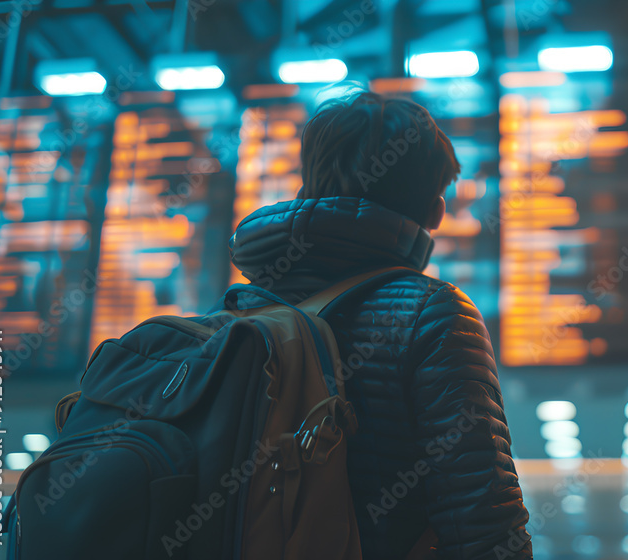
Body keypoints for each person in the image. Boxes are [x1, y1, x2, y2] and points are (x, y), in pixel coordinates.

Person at [228, 91, 533, 559]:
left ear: (307, 185)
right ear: (435, 212)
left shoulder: (236, 313)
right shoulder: (432, 313)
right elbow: (483, 521)